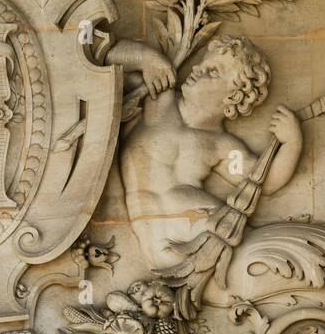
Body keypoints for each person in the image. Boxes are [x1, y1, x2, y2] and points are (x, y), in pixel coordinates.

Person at [104, 34, 302, 269]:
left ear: (233, 96)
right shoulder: (158, 99)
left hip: (206, 238)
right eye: (202, 63)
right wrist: (146, 57)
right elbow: (105, 58)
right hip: (167, 246)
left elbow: (265, 182)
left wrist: (292, 143)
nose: (197, 69)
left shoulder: (221, 145)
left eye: (213, 71)